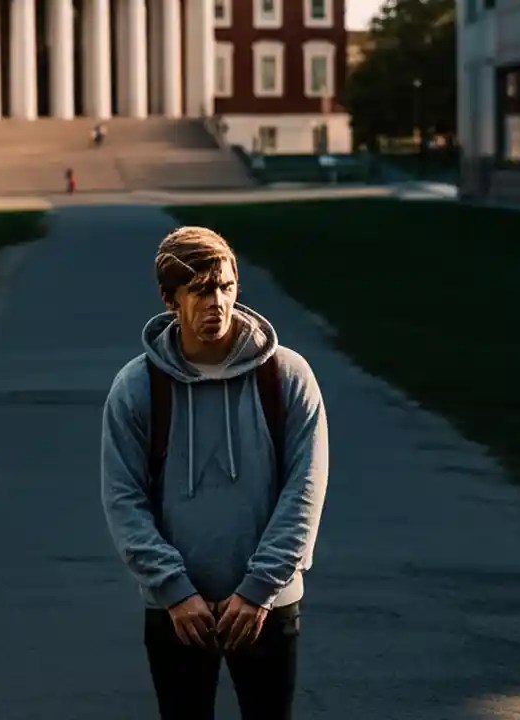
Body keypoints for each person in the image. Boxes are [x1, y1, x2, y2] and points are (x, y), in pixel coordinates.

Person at [101, 226, 330, 720]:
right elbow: (124, 500)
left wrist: (259, 589)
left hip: (267, 605)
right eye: (201, 290)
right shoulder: (137, 387)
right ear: (170, 299)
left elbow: (305, 491)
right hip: (178, 612)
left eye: (225, 287)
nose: (217, 303)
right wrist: (174, 590)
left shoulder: (286, 376)